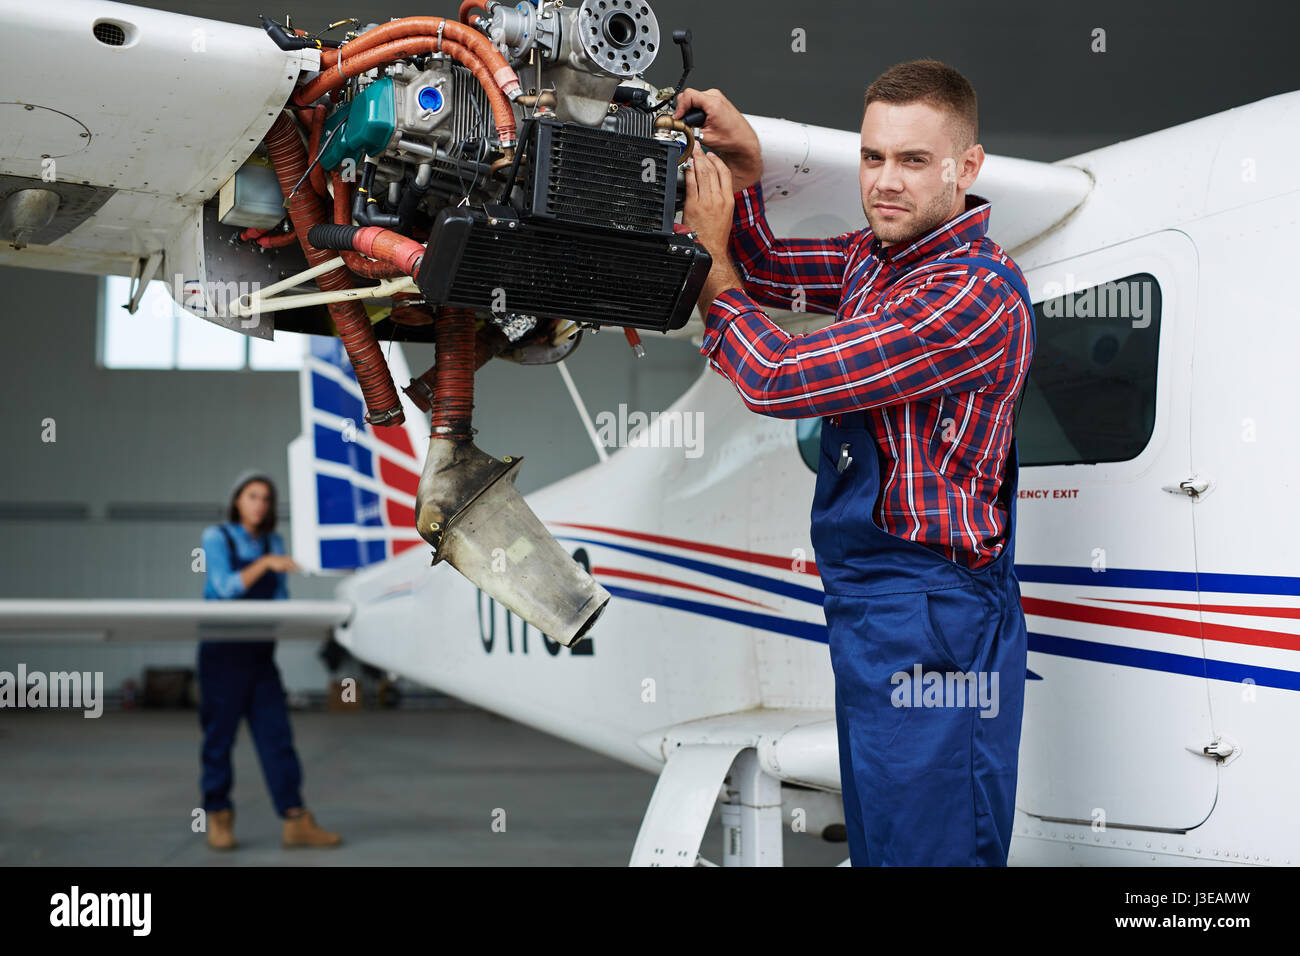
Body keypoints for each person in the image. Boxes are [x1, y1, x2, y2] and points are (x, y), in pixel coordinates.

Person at [678, 59, 1036, 866]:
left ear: (966, 168)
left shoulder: (971, 294)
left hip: (936, 615)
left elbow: (775, 375)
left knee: (929, 854)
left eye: (914, 161)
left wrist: (709, 264)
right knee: (885, 849)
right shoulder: (873, 259)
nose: (885, 182)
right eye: (873, 158)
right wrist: (745, 167)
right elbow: (770, 271)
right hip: (875, 606)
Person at [198, 470, 342, 850]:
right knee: (219, 740)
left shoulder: (273, 542)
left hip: (260, 654)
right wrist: (265, 565)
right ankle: (218, 817)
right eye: (252, 496)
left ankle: (296, 821)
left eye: (265, 498)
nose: (259, 504)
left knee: (277, 738)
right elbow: (224, 589)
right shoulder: (217, 538)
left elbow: (279, 598)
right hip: (221, 654)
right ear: (236, 501)